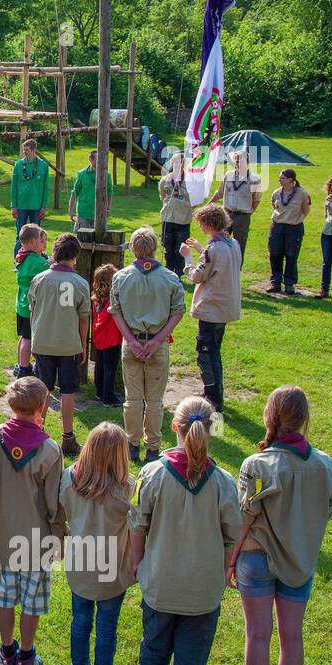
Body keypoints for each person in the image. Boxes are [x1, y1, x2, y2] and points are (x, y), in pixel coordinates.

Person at [125, 397, 240, 665]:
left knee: (154, 650)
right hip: (203, 593)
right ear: (211, 432)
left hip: (160, 584)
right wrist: (222, 571)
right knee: (190, 660)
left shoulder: (151, 474)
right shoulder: (224, 482)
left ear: (173, 428)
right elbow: (232, 534)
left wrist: (136, 562)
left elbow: (136, 522)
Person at [230, 386, 332, 665]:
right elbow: (327, 508)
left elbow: (242, 521)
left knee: (257, 635)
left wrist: (228, 561)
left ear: (269, 417)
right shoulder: (327, 465)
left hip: (257, 559)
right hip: (300, 561)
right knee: (293, 637)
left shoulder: (256, 465)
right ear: (304, 419)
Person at [0, 376, 65, 665]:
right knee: (32, 599)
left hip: (3, 532)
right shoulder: (49, 450)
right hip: (36, 537)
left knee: (5, 595)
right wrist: (58, 531)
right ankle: (26, 657)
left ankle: (7, 654)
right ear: (42, 406)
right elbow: (53, 499)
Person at [60, 421, 133, 665]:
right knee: (106, 629)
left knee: (80, 622)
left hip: (80, 565)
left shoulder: (69, 479)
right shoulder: (126, 489)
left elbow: (60, 508)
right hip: (111, 570)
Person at [110, 227, 187, 463]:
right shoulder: (170, 278)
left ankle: (132, 444)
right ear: (154, 248)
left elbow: (116, 311)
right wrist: (157, 340)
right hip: (157, 343)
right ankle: (152, 447)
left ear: (133, 248)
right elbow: (178, 312)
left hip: (131, 341)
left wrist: (131, 341)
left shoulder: (121, 277)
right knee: (154, 400)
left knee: (132, 399)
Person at [27, 232, 89, 458]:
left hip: (43, 342)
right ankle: (68, 437)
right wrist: (83, 344)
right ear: (75, 256)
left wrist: (34, 339)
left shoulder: (40, 279)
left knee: (43, 389)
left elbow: (32, 311)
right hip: (68, 345)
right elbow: (84, 318)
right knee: (68, 391)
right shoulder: (80, 283)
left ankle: (36, 431)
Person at [181, 205, 242, 412]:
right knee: (215, 351)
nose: (200, 226)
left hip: (211, 308)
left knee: (206, 353)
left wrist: (188, 257)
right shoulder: (232, 243)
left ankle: (213, 398)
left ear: (209, 224)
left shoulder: (214, 249)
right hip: (225, 307)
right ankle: (215, 391)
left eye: (201, 223)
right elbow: (215, 260)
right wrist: (201, 249)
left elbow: (197, 276)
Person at [207, 149, 260, 264]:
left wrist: (248, 212)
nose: (238, 162)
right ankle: (219, 267)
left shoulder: (255, 179)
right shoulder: (228, 175)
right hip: (226, 214)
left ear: (247, 161)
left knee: (239, 244)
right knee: (219, 241)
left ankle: (236, 269)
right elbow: (219, 193)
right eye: (236, 160)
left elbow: (256, 200)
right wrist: (208, 206)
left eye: (241, 160)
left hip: (242, 216)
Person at [267, 168, 311, 295]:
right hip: (277, 226)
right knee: (275, 253)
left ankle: (289, 283)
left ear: (291, 180)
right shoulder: (276, 193)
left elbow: (306, 210)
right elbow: (274, 206)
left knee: (291, 255)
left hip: (294, 227)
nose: (279, 179)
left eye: (282, 177)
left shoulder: (302, 193)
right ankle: (275, 282)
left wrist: (295, 219)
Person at [13, 224, 48, 379]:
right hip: (29, 308)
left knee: (23, 337)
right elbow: (49, 266)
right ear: (33, 242)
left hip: (21, 305)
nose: (45, 244)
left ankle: (20, 363)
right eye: (43, 241)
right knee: (28, 339)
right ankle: (24, 368)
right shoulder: (35, 261)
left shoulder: (23, 255)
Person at [90, 263, 122, 408]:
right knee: (110, 368)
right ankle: (108, 397)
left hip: (98, 337)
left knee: (100, 365)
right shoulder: (113, 300)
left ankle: (99, 391)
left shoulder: (95, 299)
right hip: (111, 338)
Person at [10, 139, 50, 251]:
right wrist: (13, 206)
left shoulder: (43, 165)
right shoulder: (18, 165)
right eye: (24, 149)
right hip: (21, 206)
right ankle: (17, 263)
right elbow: (14, 187)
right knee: (20, 236)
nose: (24, 152)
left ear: (34, 150)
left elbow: (46, 189)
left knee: (36, 237)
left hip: (36, 207)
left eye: (27, 150)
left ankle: (34, 261)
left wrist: (43, 207)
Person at [158, 153, 192, 277]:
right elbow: (162, 195)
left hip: (183, 219)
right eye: (175, 162)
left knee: (180, 249)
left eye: (180, 162)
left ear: (184, 164)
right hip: (168, 218)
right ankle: (168, 270)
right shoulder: (165, 179)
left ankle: (179, 273)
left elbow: (195, 199)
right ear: (172, 163)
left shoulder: (190, 180)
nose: (177, 164)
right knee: (168, 247)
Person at [68, 151, 112, 231]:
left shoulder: (107, 175)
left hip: (100, 214)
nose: (101, 161)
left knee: (99, 240)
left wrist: (108, 208)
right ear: (90, 159)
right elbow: (75, 192)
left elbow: (109, 193)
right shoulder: (82, 174)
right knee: (83, 239)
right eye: (98, 159)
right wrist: (70, 210)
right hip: (83, 213)